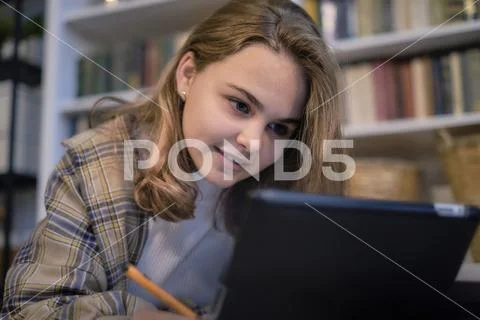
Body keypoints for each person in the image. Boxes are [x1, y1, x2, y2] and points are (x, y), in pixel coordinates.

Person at [1, 0, 344, 319]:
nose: (253, 143)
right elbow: (30, 310)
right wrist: (141, 314)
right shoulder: (95, 166)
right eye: (240, 105)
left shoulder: (281, 193)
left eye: (279, 127)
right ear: (188, 75)